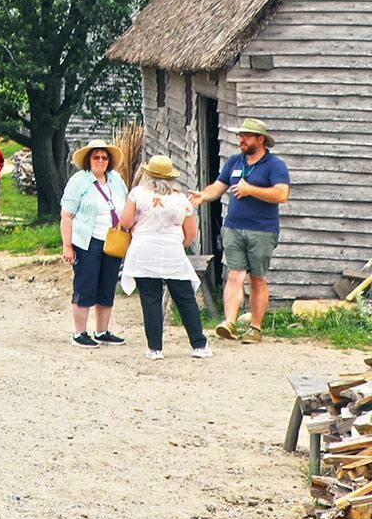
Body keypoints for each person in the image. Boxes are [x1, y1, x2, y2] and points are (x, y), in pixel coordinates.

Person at [190, 117, 291, 343]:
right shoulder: (235, 162)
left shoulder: (275, 166)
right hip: (233, 228)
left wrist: (250, 190)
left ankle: (255, 328)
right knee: (234, 275)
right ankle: (230, 323)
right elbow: (219, 186)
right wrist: (204, 195)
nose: (241, 139)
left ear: (260, 139)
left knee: (257, 279)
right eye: (240, 136)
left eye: (246, 136)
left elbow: (282, 194)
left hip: (262, 230)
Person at [119, 156, 210, 360]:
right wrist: (179, 243)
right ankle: (199, 344)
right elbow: (191, 232)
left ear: (148, 174)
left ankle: (155, 348)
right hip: (172, 251)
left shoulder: (137, 194)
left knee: (150, 298)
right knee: (185, 298)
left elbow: (125, 221)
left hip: (143, 249)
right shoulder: (180, 199)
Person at [60, 139, 129, 349]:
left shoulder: (116, 180)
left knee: (107, 285)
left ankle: (102, 330)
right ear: (89, 160)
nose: (100, 161)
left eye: (104, 157)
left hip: (112, 240)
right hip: (87, 241)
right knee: (85, 284)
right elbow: (67, 215)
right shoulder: (79, 181)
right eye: (96, 157)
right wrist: (67, 246)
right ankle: (79, 332)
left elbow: (127, 205)